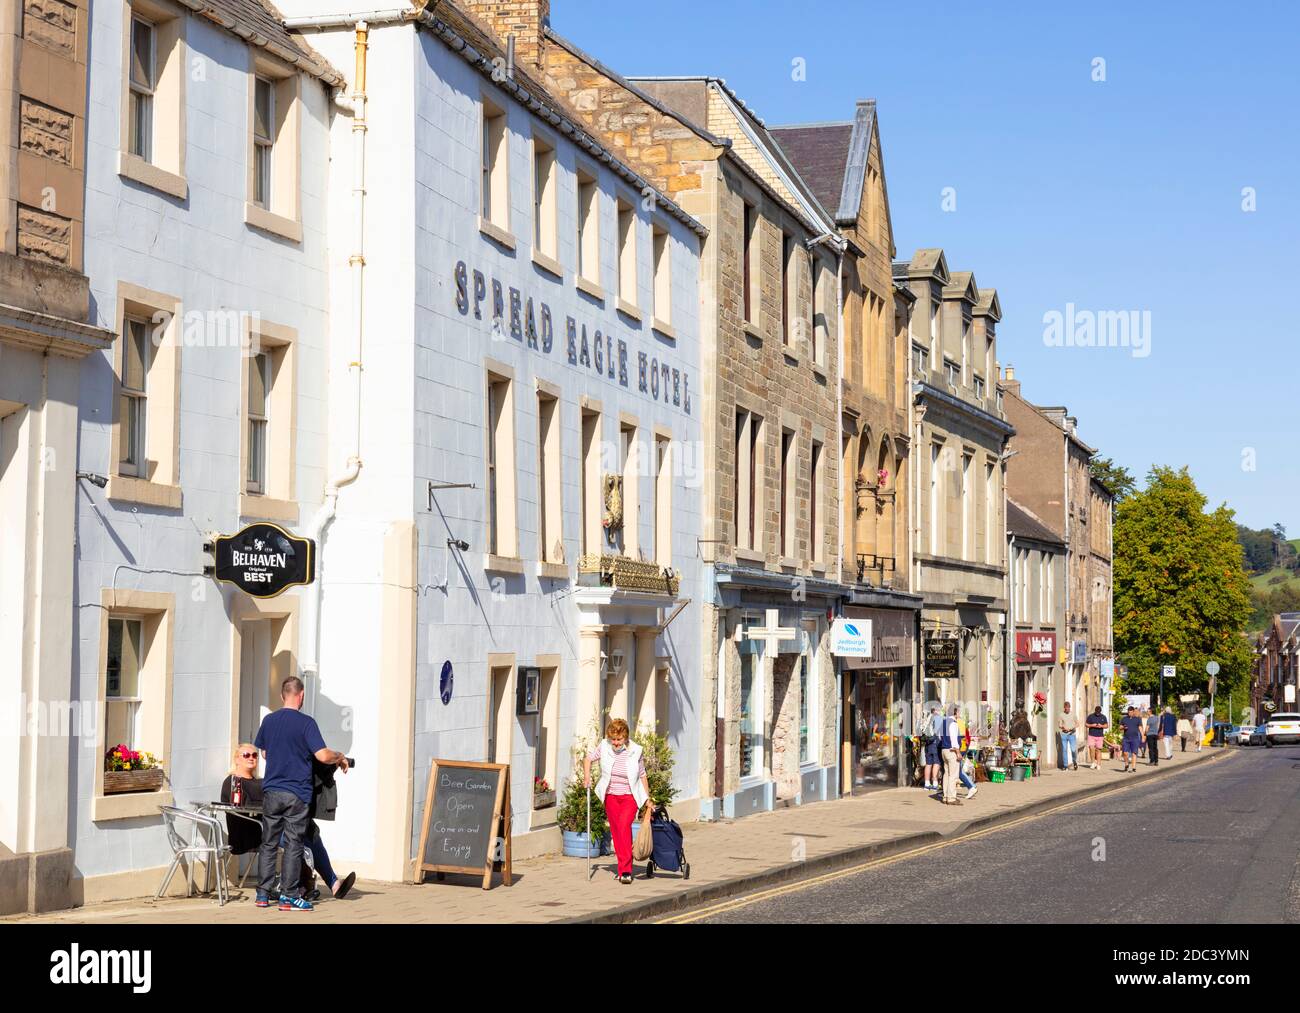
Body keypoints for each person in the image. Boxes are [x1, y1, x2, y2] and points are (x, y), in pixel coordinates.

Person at [254, 675, 349, 911]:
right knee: (294, 844)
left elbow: (265, 753)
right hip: (297, 792)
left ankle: (263, 895)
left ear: (282, 695)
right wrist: (339, 756)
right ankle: (288, 896)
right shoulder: (307, 723)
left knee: (269, 843)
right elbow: (322, 756)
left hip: (272, 790)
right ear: (302, 695)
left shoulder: (269, 721)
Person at [583, 718, 652, 885]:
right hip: (611, 795)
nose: (615, 743)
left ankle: (626, 870)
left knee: (623, 826)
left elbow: (642, 775)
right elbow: (588, 759)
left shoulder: (635, 750)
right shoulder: (604, 746)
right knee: (615, 831)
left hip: (629, 796)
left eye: (619, 739)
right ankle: (622, 869)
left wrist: (647, 799)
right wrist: (587, 777)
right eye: (613, 739)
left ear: (626, 737)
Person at [940, 705, 963, 806]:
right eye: (958, 711)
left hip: (944, 750)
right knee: (953, 775)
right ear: (955, 712)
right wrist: (958, 752)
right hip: (952, 750)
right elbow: (954, 740)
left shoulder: (943, 722)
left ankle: (945, 796)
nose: (959, 713)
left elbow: (940, 736)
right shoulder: (953, 724)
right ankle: (951, 798)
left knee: (946, 774)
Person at [920, 705, 942, 791]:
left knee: (928, 764)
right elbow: (940, 732)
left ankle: (926, 783)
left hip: (927, 743)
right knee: (936, 763)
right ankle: (935, 783)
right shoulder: (938, 718)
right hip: (935, 743)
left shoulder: (927, 718)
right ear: (936, 710)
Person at [1119, 706, 1143, 772]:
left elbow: (1140, 728)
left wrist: (1143, 736)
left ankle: (1133, 768)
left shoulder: (1137, 719)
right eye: (1128, 712)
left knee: (1134, 753)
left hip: (1135, 738)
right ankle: (1126, 764)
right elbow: (1120, 727)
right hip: (1126, 738)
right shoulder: (1124, 719)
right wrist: (1123, 727)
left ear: (1133, 712)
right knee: (1125, 753)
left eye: (1131, 712)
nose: (1130, 713)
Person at [1058, 702, 1079, 771]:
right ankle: (1065, 765)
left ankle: (1074, 761)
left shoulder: (1073, 714)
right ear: (1064, 708)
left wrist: (1072, 728)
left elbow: (1077, 724)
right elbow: (1060, 725)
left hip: (1072, 735)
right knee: (1064, 750)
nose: (1067, 709)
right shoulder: (1061, 715)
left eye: (1068, 708)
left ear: (1070, 707)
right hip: (1064, 734)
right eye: (1066, 708)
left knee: (1073, 750)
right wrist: (1063, 727)